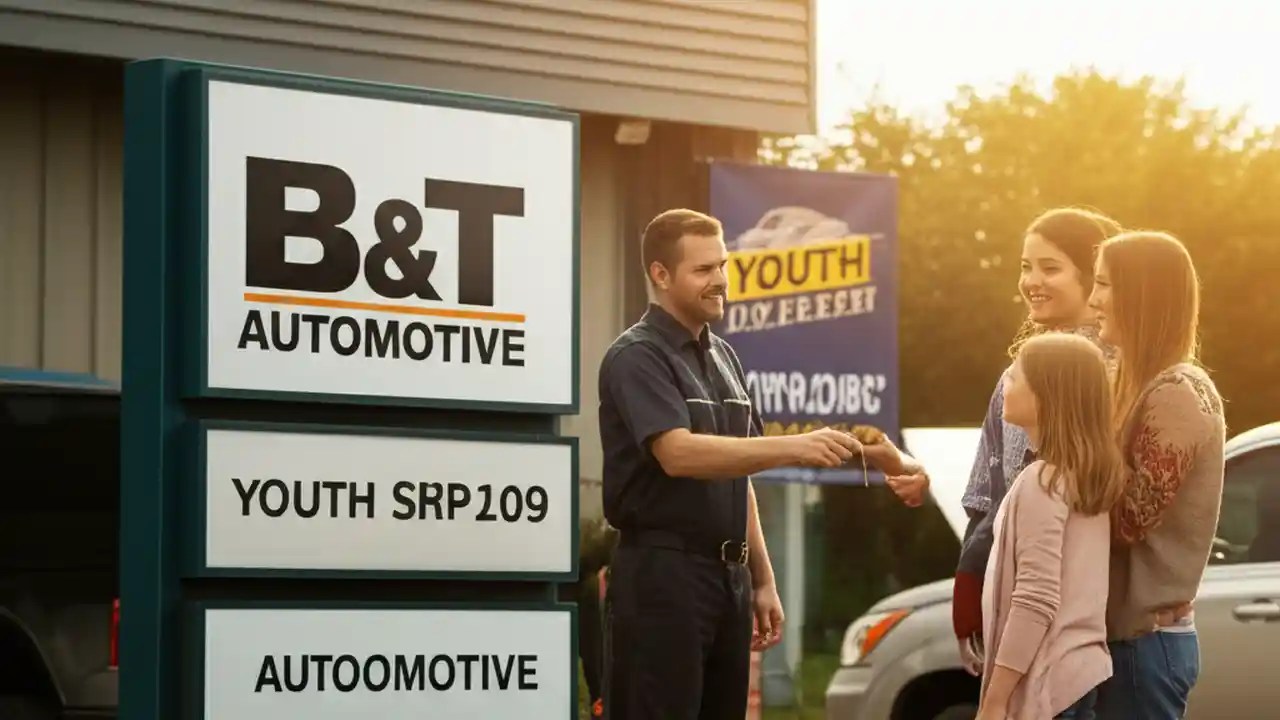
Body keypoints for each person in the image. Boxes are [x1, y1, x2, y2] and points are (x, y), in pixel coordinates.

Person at [597, 208, 868, 720]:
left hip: (729, 578)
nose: (720, 280)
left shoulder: (725, 356)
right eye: (703, 270)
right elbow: (677, 453)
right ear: (660, 275)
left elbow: (736, 473)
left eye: (722, 265)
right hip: (662, 576)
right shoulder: (637, 356)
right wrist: (794, 447)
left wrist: (761, 577)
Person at [953, 207, 1123, 673]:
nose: (1032, 281)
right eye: (1026, 267)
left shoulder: (1120, 372)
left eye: (1051, 268)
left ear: (1094, 278)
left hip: (1083, 614)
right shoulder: (1015, 374)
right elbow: (985, 501)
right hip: (1011, 597)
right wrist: (973, 596)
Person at [1089, 231, 1226, 719]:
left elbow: (1127, 521)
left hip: (1142, 648)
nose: (1092, 299)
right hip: (1125, 644)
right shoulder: (1140, 384)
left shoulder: (1177, 393)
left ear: (1139, 294)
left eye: (1104, 285)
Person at [976, 332, 1125, 720]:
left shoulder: (1041, 482)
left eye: (1015, 375)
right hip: (1078, 677)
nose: (1005, 381)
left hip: (1046, 685)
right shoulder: (1083, 479)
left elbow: (1035, 597)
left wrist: (996, 698)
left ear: (1046, 396)